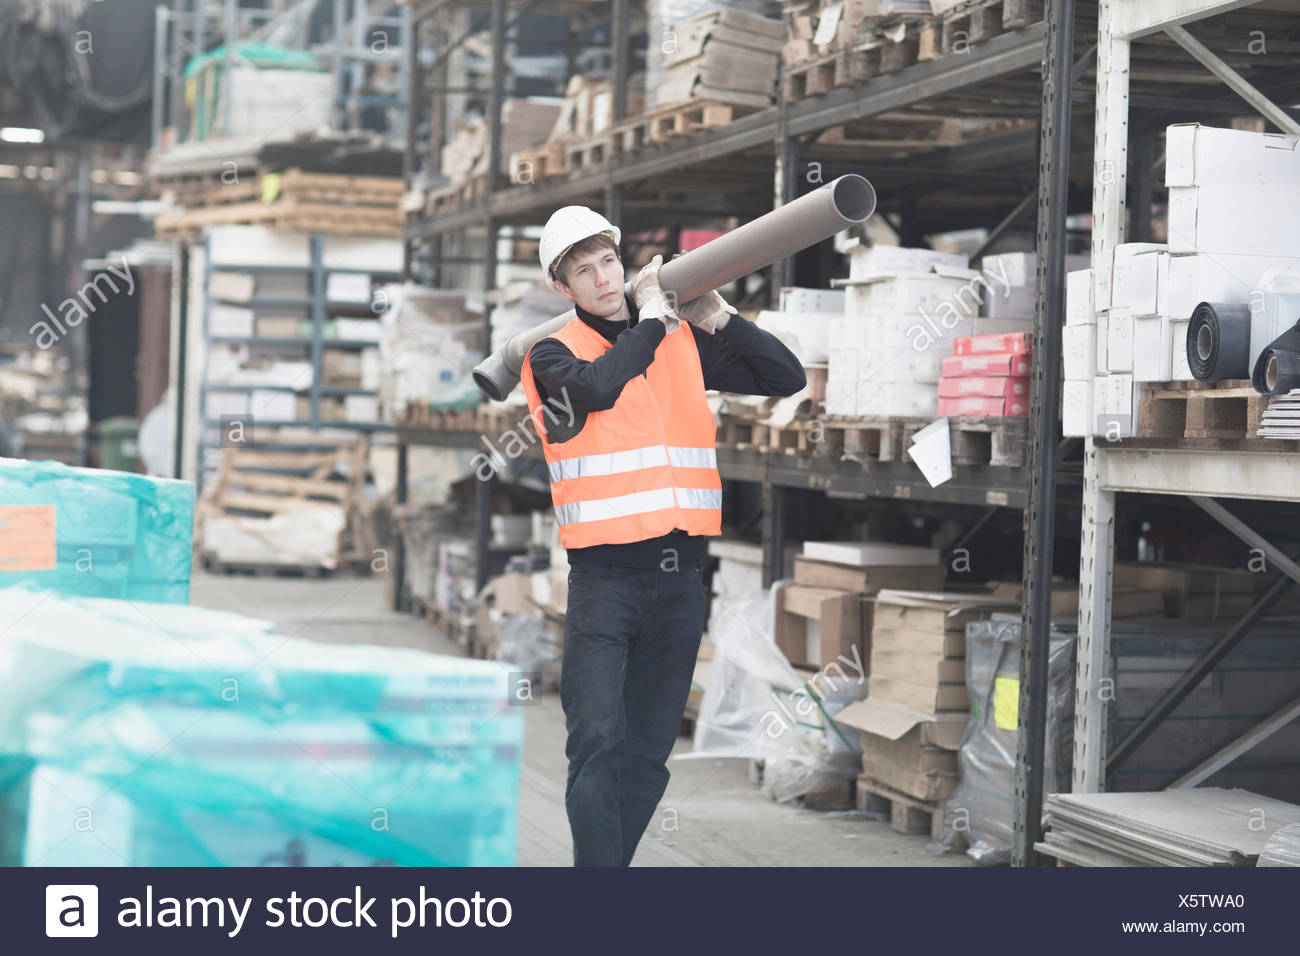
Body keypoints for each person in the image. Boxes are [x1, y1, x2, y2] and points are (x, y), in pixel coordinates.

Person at [520, 205, 806, 867]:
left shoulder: (680, 342)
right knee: (596, 741)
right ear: (563, 288)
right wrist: (651, 319)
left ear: (622, 264)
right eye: (583, 270)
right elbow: (599, 388)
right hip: (604, 581)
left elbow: (784, 380)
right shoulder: (552, 355)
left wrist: (723, 320)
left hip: (678, 580)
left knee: (648, 752)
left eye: (609, 262)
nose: (602, 278)